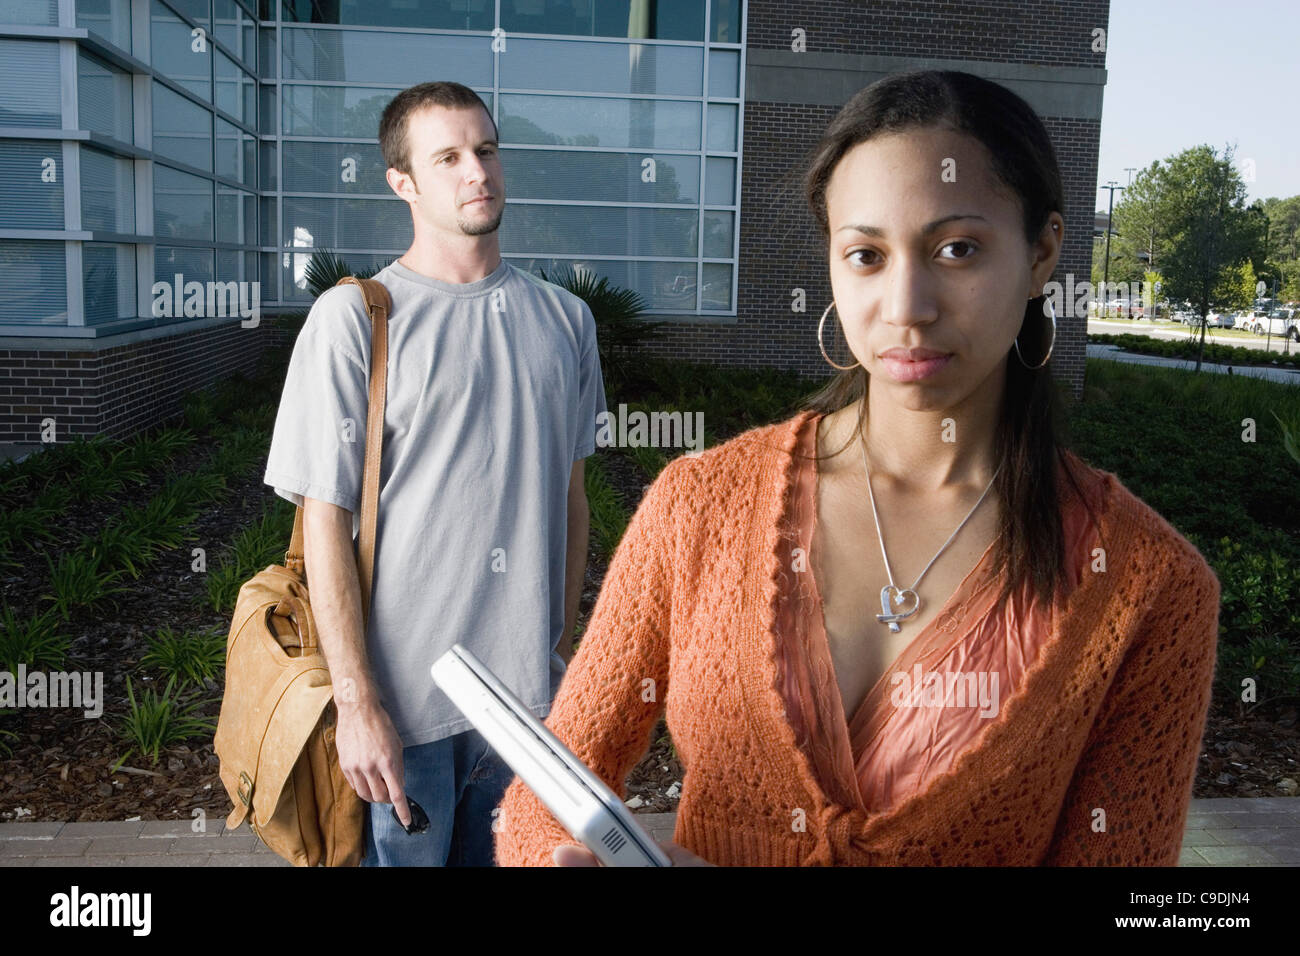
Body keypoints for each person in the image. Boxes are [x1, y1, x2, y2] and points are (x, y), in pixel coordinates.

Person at [493, 70, 1220, 867]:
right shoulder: (698, 505)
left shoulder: (1149, 587)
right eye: (867, 254)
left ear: (1042, 252)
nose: (906, 304)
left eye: (957, 249)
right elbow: (546, 789)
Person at [263, 81, 608, 866]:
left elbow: (571, 497)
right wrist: (356, 705)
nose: (476, 171)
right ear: (404, 183)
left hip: (526, 712)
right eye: (447, 157)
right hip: (403, 715)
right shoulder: (355, 317)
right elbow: (325, 521)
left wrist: (558, 655)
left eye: (485, 150)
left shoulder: (565, 320)